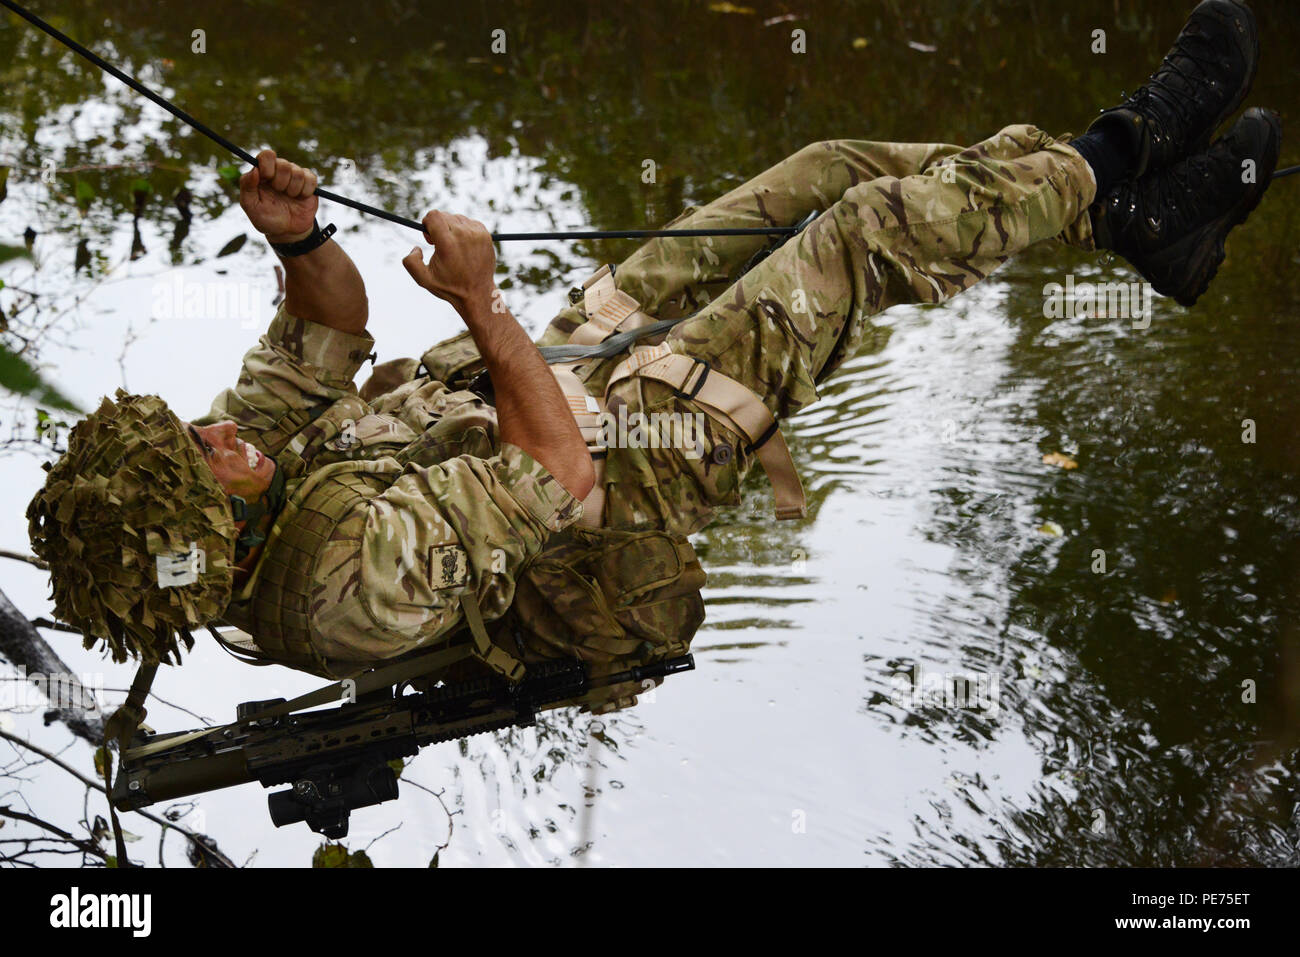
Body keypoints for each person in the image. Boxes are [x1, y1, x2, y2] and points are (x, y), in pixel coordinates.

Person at [27, 0, 1281, 714]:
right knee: (858, 236)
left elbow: (327, 337)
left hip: (558, 367)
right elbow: (563, 477)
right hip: (634, 454)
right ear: (200, 532)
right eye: (204, 455)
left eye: (192, 430)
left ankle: (1132, 217)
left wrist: (301, 241)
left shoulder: (222, 489)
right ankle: (1129, 147)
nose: (219, 432)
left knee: (825, 173)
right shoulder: (340, 588)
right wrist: (481, 306)